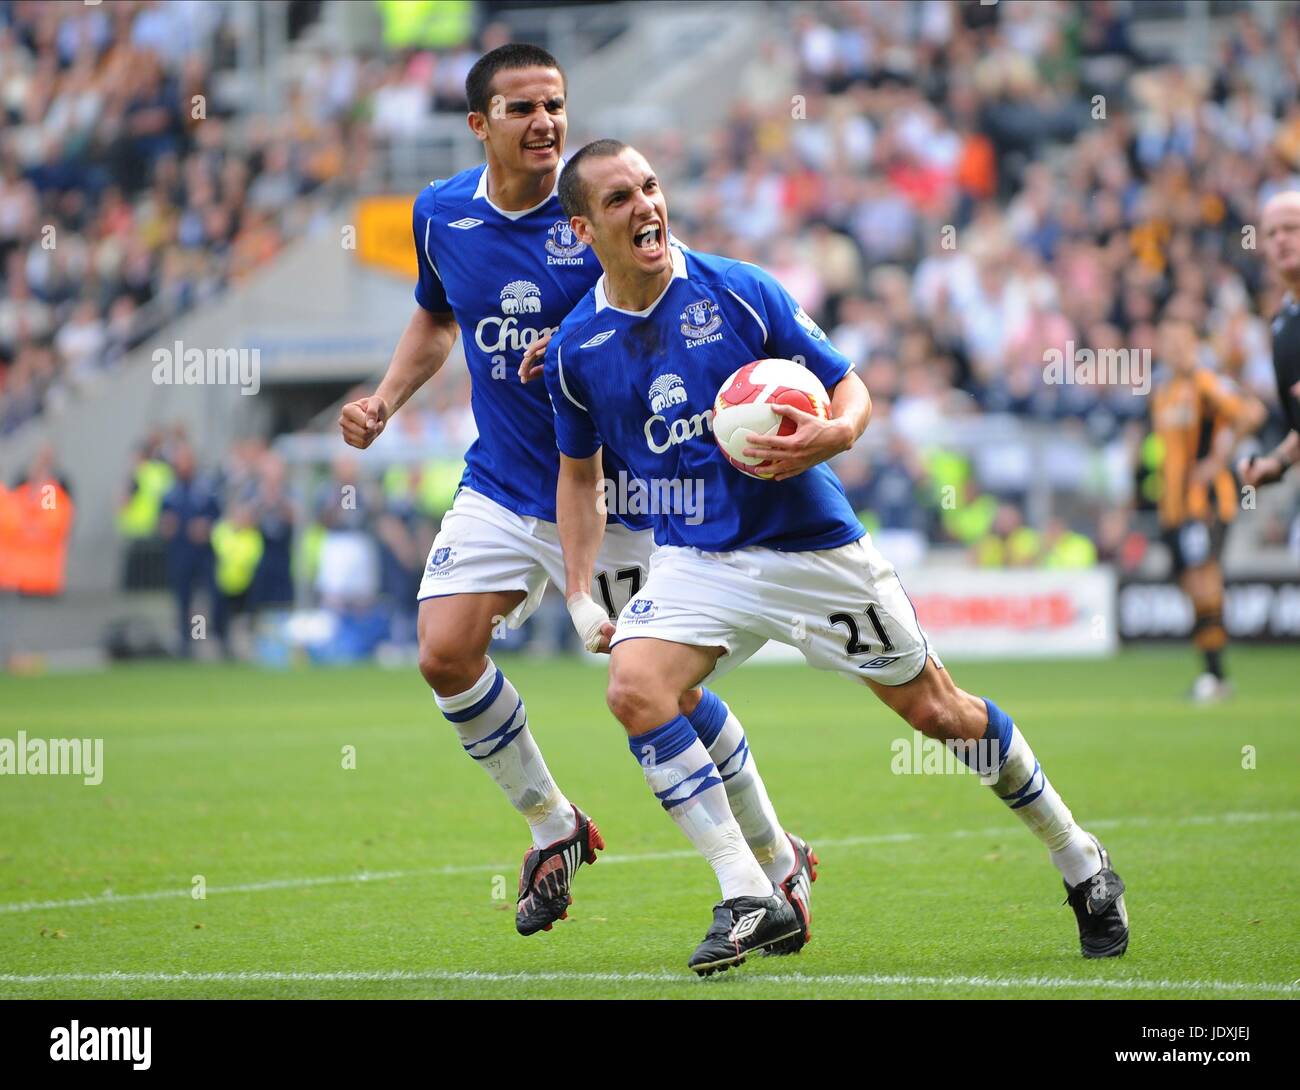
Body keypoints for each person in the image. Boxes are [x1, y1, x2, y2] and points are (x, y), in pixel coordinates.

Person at [545, 140, 1129, 974]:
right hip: (697, 561)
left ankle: (1080, 858)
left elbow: (849, 385)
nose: (645, 207)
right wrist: (578, 594)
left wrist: (838, 432)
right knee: (636, 688)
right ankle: (751, 891)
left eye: (650, 186)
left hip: (811, 548)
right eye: (618, 199)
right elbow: (578, 477)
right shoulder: (575, 349)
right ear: (582, 228)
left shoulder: (740, 292)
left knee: (939, 715)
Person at [338, 45, 814, 945]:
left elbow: (654, 309)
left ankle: (775, 856)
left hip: (610, 495)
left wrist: (572, 339)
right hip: (503, 480)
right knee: (442, 652)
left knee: (654, 690)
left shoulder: (594, 213)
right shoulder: (441, 215)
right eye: (522, 108)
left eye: (555, 104)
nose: (546, 122)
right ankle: (555, 824)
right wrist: (384, 401)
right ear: (480, 125)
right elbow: (438, 318)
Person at [1151, 317, 1265, 701]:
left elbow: (1251, 414)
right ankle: (1213, 673)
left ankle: (1216, 676)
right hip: (1174, 510)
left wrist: (1218, 460)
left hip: (1206, 502)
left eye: (1180, 341)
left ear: (1194, 344)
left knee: (1204, 579)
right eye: (1167, 341)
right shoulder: (1163, 392)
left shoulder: (1205, 382)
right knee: (1189, 584)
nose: (1174, 349)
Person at [1239, 190, 1300, 492]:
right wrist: (1276, 463)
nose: (1280, 239)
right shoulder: (1281, 327)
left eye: (1291, 228)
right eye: (1271, 233)